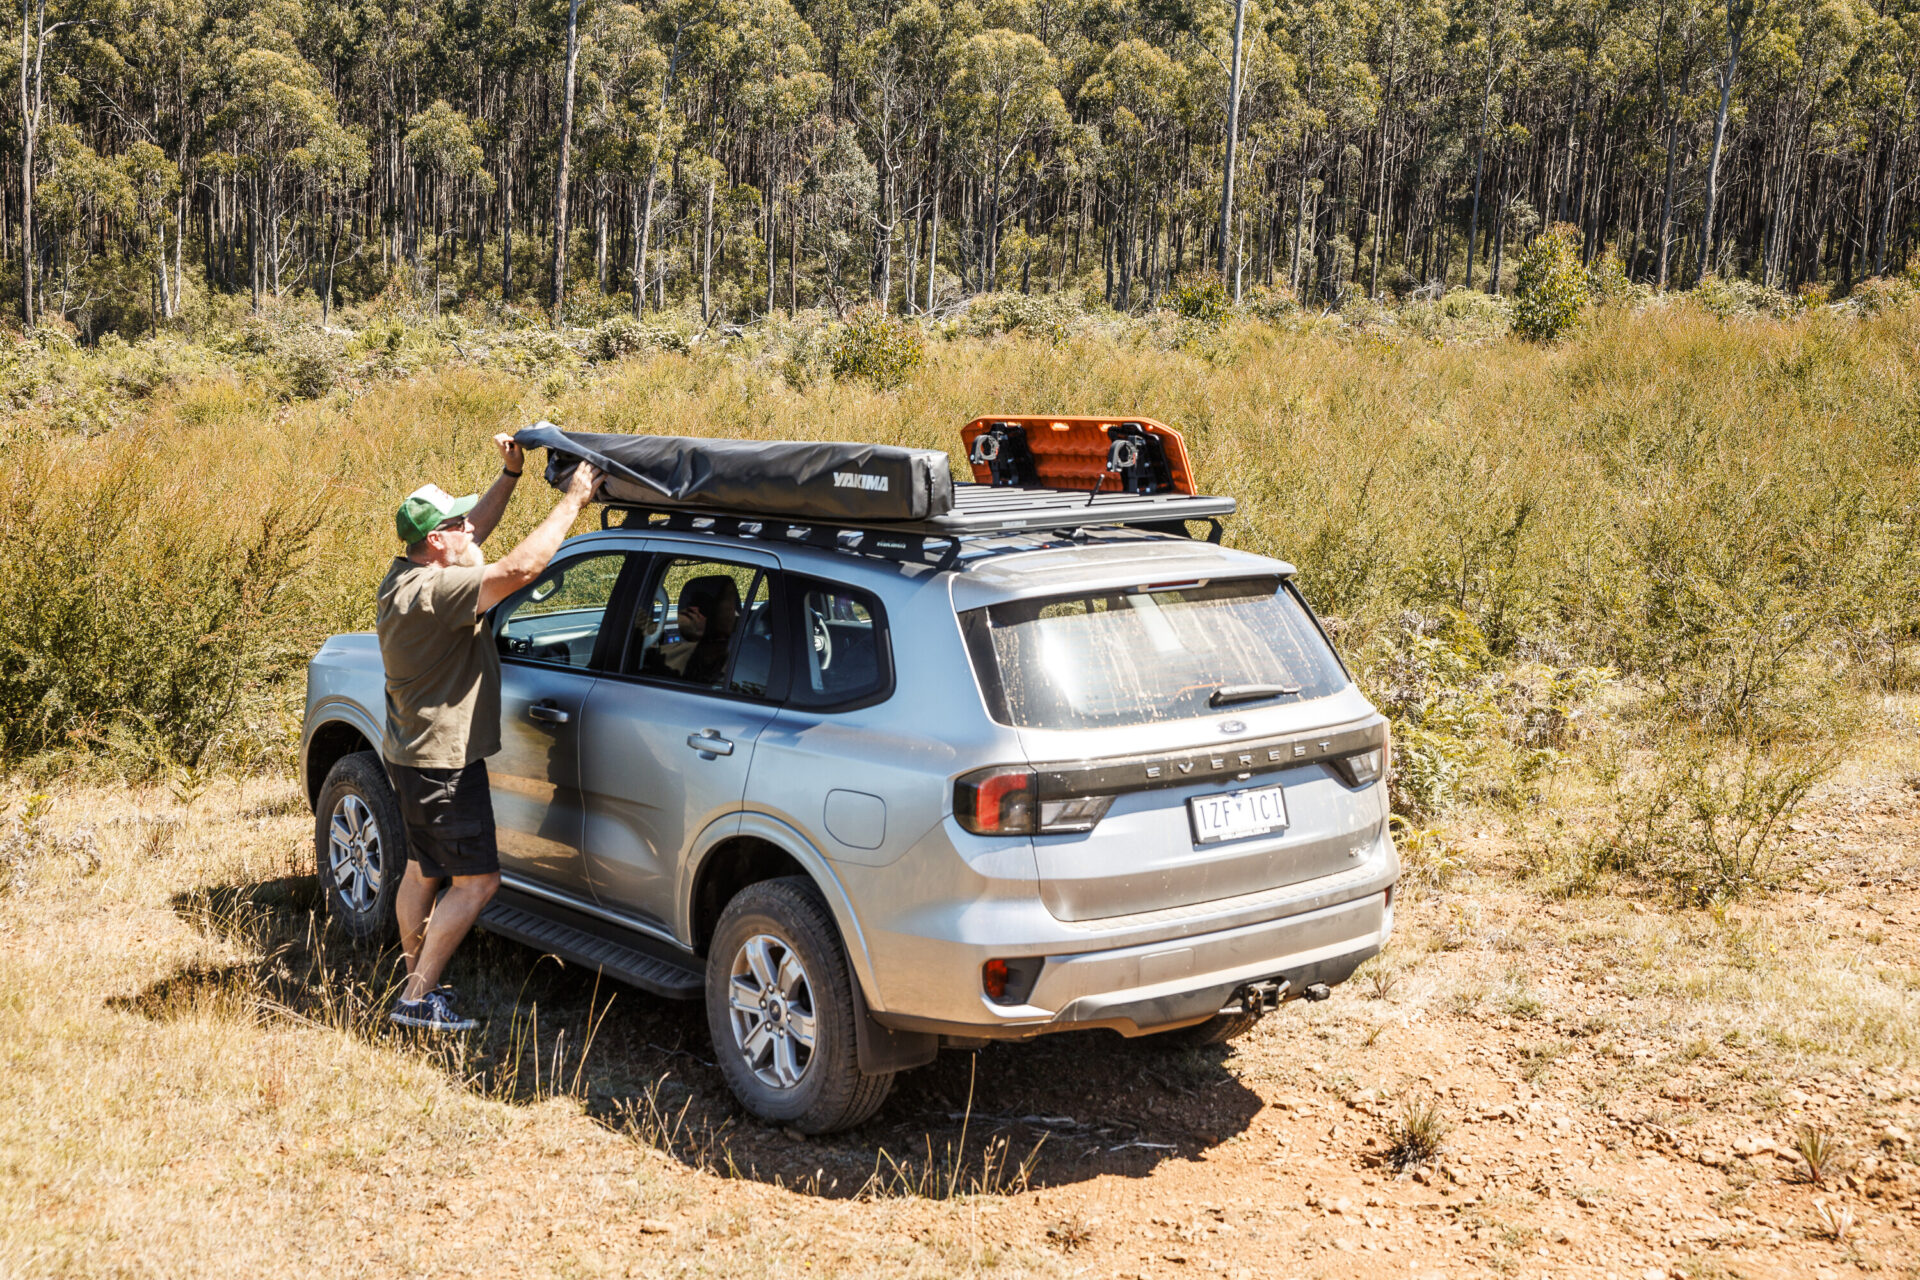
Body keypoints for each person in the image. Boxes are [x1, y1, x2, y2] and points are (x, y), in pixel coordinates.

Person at [375, 434, 602, 1032]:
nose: (471, 528)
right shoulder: (437, 595)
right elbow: (520, 568)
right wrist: (573, 501)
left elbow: (473, 535)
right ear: (435, 540)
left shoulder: (405, 576)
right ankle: (418, 1001)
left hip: (411, 755)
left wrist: (509, 477)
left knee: (423, 870)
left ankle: (414, 979)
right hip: (443, 766)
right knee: (478, 882)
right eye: (457, 523)